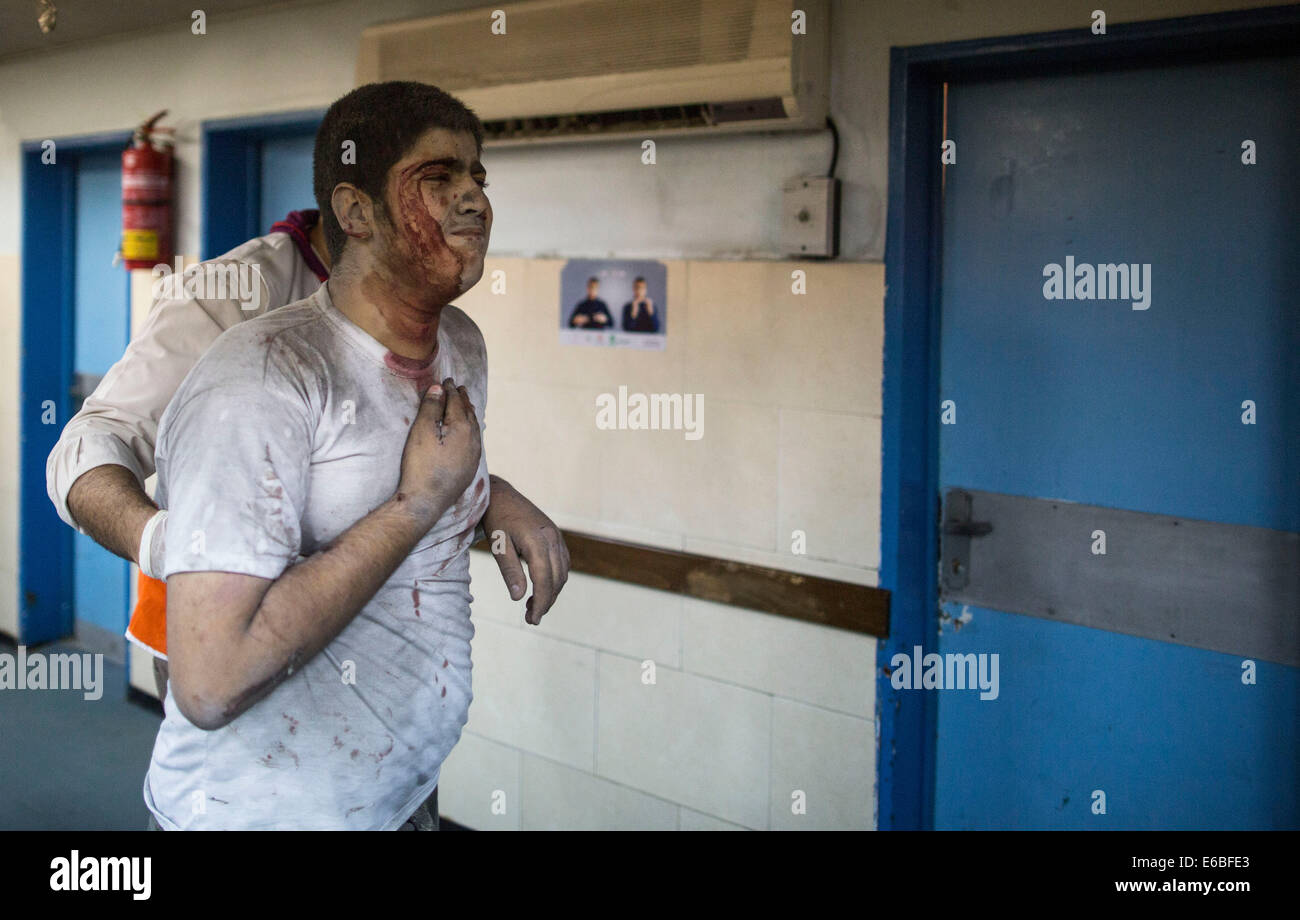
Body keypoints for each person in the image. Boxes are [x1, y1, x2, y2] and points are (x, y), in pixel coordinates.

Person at [137, 80, 516, 830]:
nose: (474, 199)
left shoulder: (460, 345)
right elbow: (210, 684)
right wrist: (416, 507)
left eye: (478, 176)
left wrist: (496, 496)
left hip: (400, 793)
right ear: (354, 212)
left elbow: (403, 466)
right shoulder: (263, 379)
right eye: (438, 179)